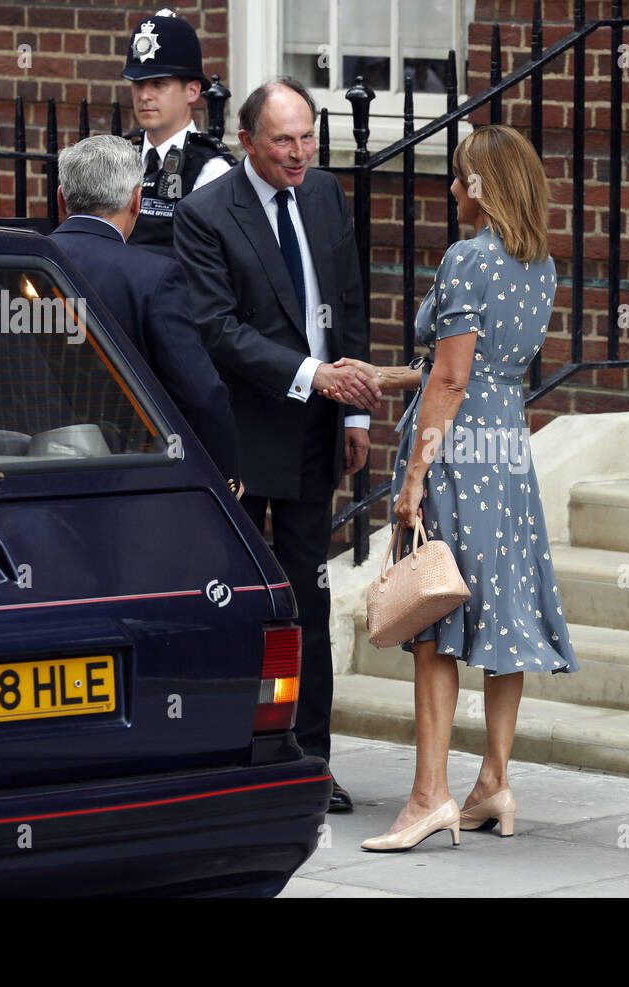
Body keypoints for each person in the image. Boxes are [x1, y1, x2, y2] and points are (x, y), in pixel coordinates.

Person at [323, 124, 581, 852]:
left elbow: (453, 378)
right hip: (508, 451)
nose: (452, 187)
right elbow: (472, 366)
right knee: (504, 615)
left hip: (459, 452)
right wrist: (385, 376)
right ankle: (493, 780)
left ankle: (428, 796)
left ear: (484, 188)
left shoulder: (467, 259)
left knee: (434, 617)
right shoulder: (539, 264)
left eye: (461, 176)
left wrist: (412, 478)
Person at [173, 78, 381, 813]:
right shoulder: (205, 215)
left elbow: (347, 300)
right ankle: (226, 755)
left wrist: (352, 414)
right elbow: (217, 329)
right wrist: (313, 375)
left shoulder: (323, 194)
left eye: (308, 137)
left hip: (316, 432)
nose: (299, 153)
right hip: (241, 434)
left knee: (307, 599)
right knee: (229, 598)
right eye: (283, 141)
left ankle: (309, 761)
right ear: (248, 143)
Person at [52, 133, 241, 494]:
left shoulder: (9, 269)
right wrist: (226, 475)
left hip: (15, 473)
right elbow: (200, 394)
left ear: (61, 197)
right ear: (136, 201)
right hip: (125, 477)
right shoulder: (154, 278)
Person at [120, 8, 237, 258]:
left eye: (158, 84)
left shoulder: (211, 170)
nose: (144, 95)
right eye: (138, 84)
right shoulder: (121, 157)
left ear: (193, 91)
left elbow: (216, 260)